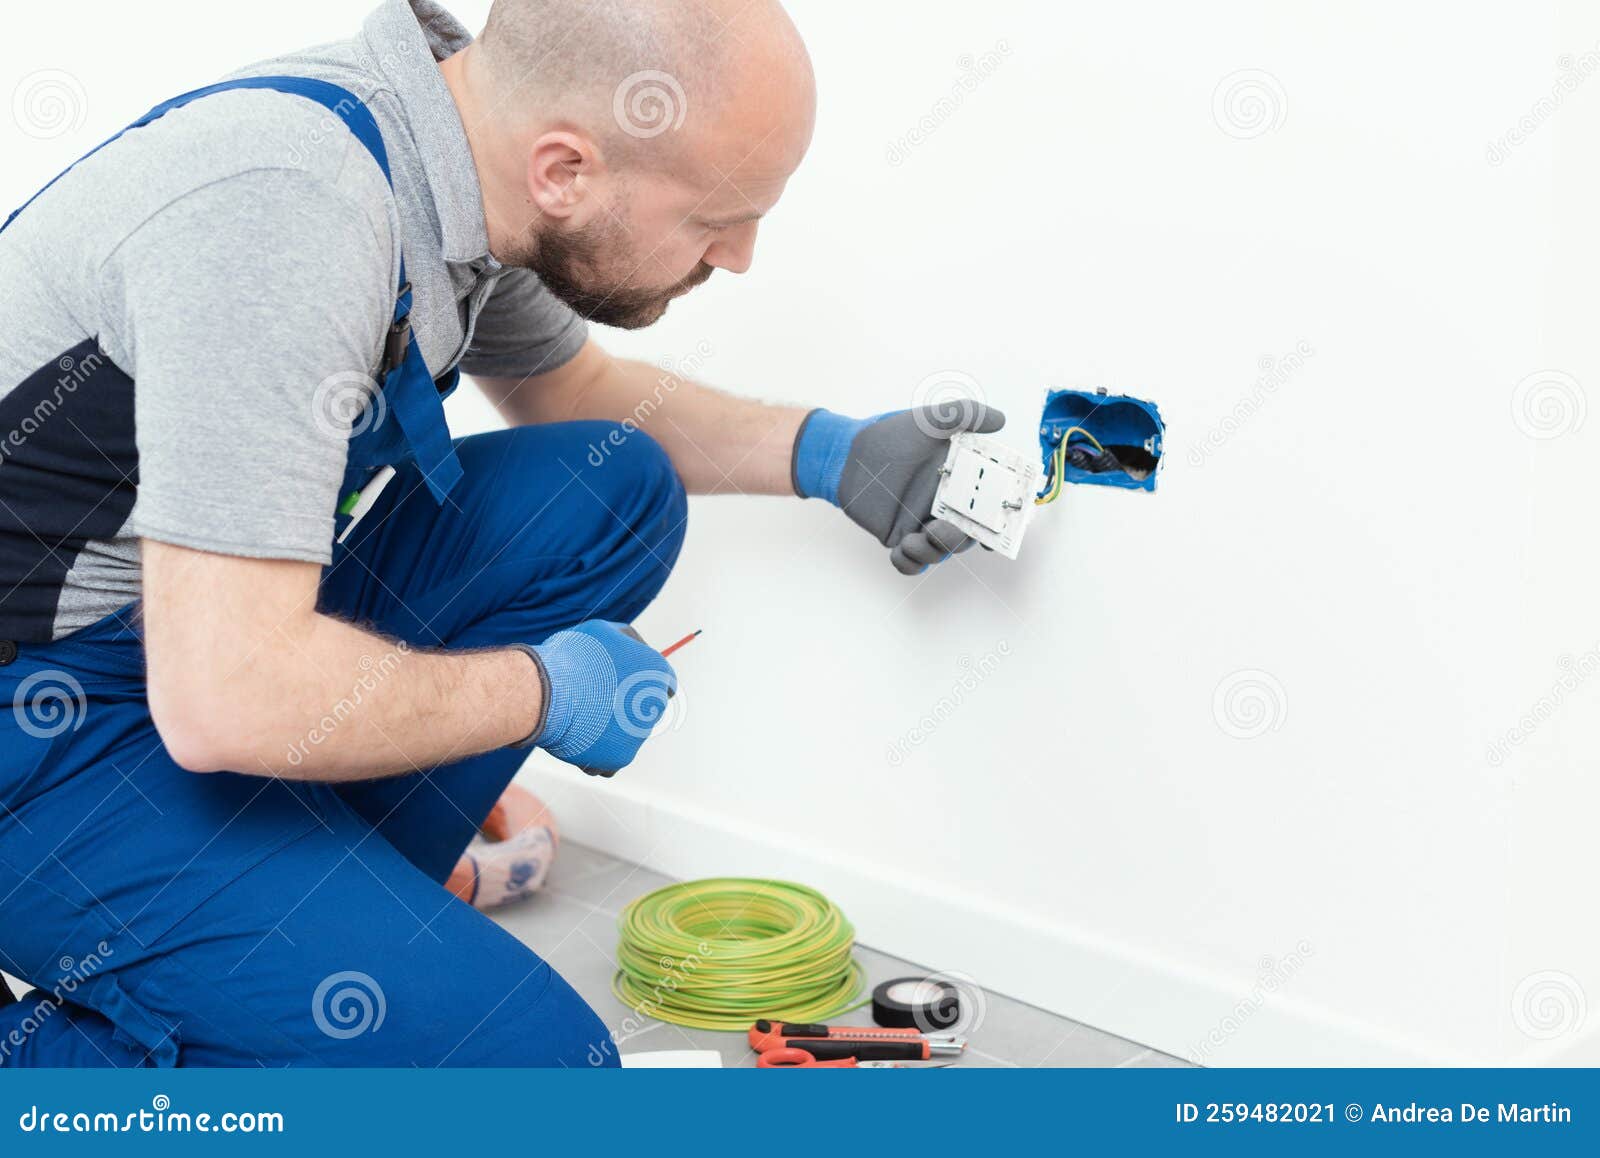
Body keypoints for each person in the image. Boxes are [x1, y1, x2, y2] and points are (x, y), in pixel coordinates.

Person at [0, 0, 1001, 1066]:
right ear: (565, 171)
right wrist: (542, 689)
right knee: (526, 1074)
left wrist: (832, 455)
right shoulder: (290, 218)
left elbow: (583, 393)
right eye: (717, 217)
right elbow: (228, 699)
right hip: (52, 720)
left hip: (182, 634)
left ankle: (308, 911)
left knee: (601, 491)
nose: (742, 253)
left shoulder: (463, 143)